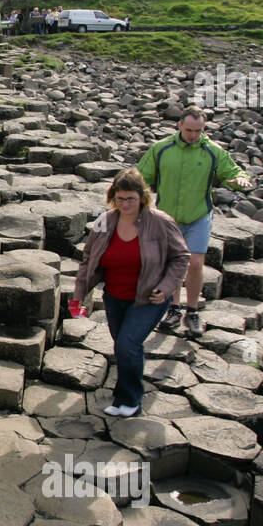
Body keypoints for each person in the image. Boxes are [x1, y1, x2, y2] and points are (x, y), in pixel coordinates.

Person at [71, 168, 190, 417]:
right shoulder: (105, 222)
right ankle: (124, 397)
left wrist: (167, 287)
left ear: (142, 197)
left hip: (149, 298)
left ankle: (129, 400)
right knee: (125, 347)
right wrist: (77, 298)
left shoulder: (161, 222)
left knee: (127, 344)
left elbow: (181, 258)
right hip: (114, 296)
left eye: (131, 199)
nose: (125, 204)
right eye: (120, 198)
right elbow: (87, 259)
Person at [136, 108, 253, 337]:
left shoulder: (212, 151)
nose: (192, 135)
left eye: (198, 131)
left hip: (199, 214)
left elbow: (234, 171)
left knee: (196, 263)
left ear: (204, 129)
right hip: (168, 217)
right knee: (173, 264)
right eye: (189, 130)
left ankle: (193, 311)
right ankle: (173, 308)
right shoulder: (161, 149)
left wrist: (240, 180)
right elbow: (141, 177)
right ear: (179, 126)